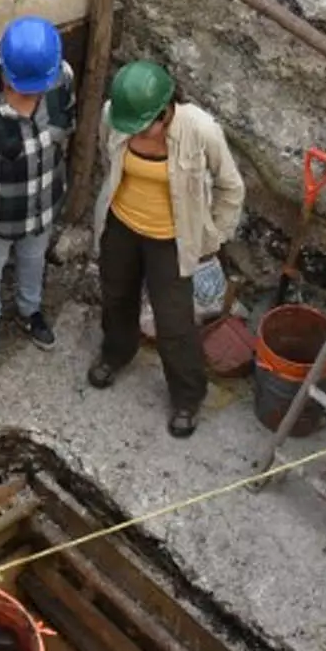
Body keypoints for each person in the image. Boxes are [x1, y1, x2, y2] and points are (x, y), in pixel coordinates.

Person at [84, 60, 245, 439]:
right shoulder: (115, 114)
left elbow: (231, 187)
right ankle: (116, 353)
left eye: (143, 128)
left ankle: (187, 396)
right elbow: (110, 156)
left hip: (172, 238)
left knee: (174, 322)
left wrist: (213, 236)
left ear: (165, 110)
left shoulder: (200, 129)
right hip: (122, 224)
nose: (136, 134)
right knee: (116, 295)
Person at [0, 15, 74, 362]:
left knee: (34, 258)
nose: (33, 95)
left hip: (43, 203)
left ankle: (30, 309)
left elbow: (68, 120)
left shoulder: (61, 77)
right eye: (24, 87)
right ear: (4, 71)